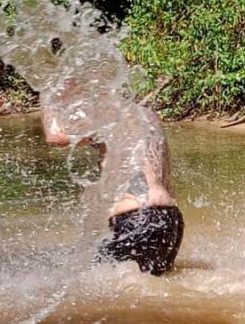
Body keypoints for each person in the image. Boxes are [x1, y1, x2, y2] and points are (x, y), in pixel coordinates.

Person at [42, 82, 183, 276]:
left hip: (136, 218)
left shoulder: (107, 118)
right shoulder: (148, 116)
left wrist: (47, 96)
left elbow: (55, 137)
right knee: (157, 283)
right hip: (170, 219)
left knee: (90, 282)